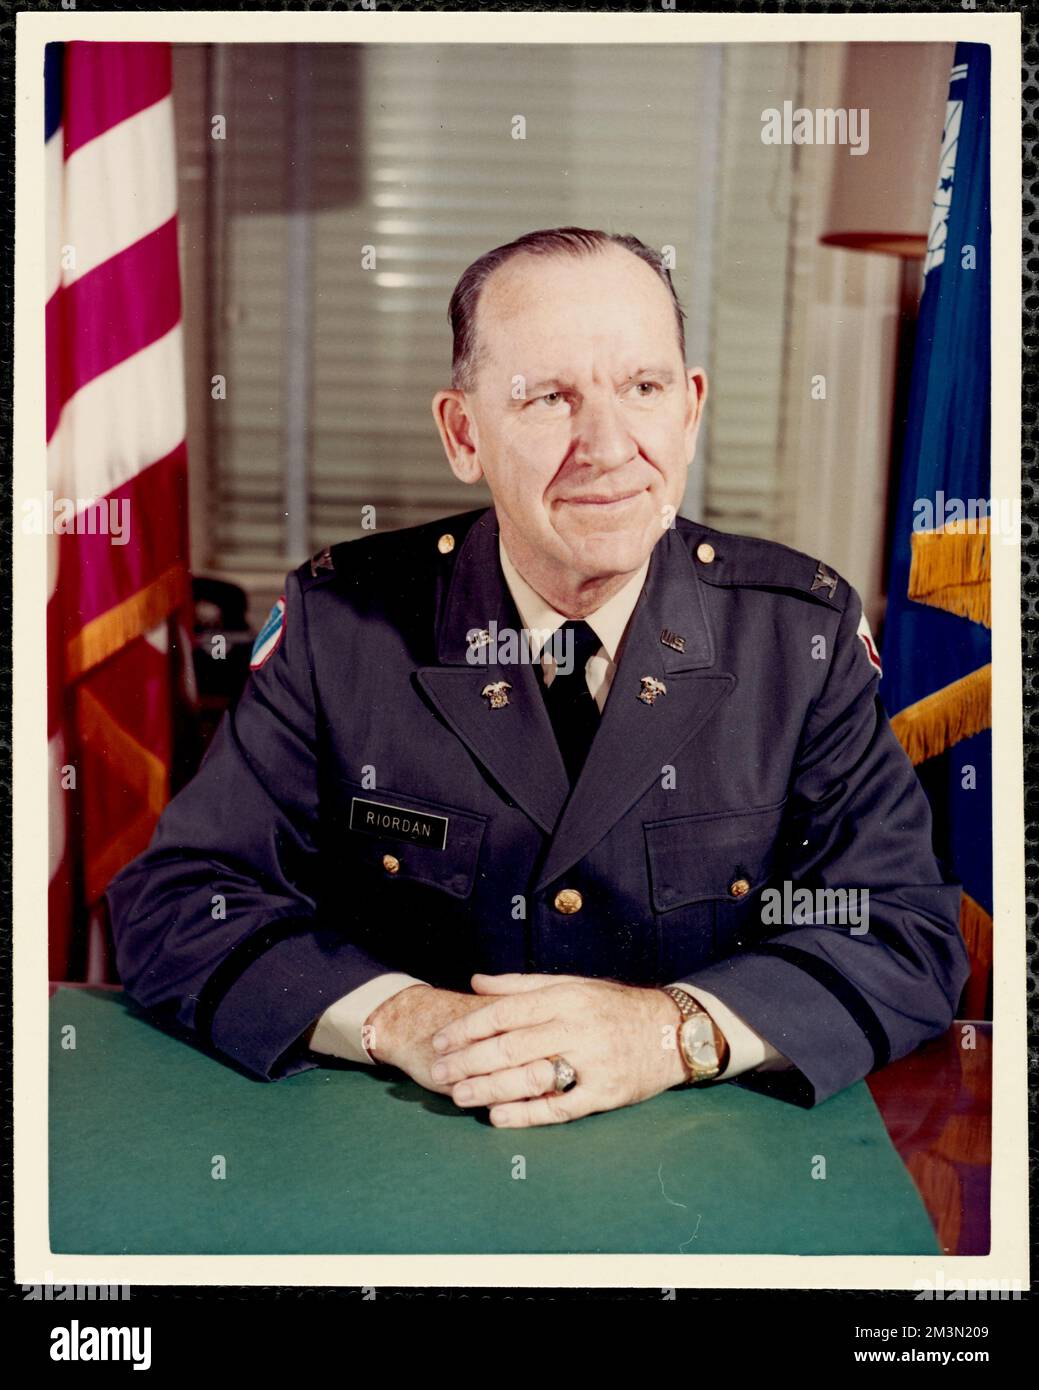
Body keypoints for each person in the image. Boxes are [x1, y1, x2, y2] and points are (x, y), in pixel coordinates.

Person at [106, 227, 969, 1128]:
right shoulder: (344, 626)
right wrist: (401, 1018)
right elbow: (177, 900)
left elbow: (902, 930)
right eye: (547, 398)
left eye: (643, 387)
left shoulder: (799, 636)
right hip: (402, 1149)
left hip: (706, 1160)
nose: (607, 445)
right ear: (462, 432)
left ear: (690, 408)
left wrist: (671, 1033)